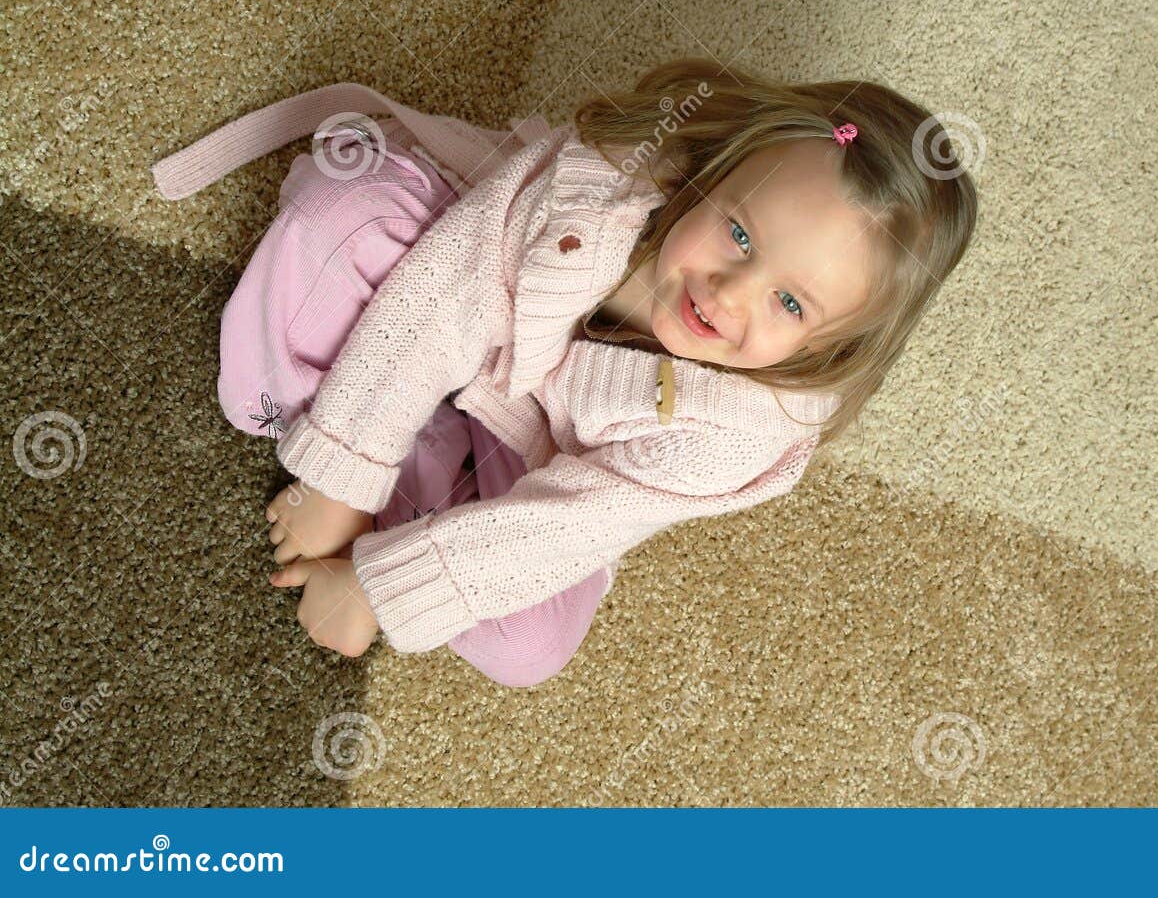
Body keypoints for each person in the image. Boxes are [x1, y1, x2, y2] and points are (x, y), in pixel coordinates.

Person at [151, 57, 978, 687]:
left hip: (549, 455)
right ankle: (375, 437)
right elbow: (446, 298)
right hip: (467, 288)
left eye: (791, 306)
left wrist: (377, 587)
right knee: (344, 209)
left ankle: (419, 448)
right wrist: (340, 476)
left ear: (823, 350)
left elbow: (571, 522)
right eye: (739, 234)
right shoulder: (608, 192)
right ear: (713, 171)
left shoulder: (740, 436)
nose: (729, 295)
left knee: (532, 644)